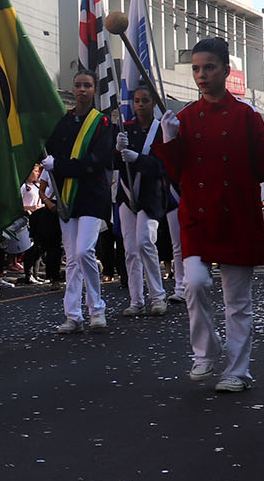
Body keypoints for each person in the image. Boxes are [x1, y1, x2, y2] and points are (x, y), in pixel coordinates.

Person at [154, 38, 264, 391]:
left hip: (236, 215)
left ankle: (237, 371)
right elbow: (174, 172)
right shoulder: (184, 118)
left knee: (237, 303)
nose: (201, 75)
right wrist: (170, 139)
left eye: (208, 67)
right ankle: (205, 352)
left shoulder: (247, 117)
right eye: (196, 68)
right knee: (193, 283)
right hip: (197, 215)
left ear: (226, 70)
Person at [42, 71, 117, 333]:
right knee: (72, 258)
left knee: (85, 251)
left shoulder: (103, 123)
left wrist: (59, 165)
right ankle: (72, 315)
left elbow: (95, 162)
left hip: (92, 197)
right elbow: (49, 147)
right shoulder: (63, 121)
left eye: (87, 85)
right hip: (67, 197)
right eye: (77, 85)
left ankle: (97, 309)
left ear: (94, 90)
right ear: (72, 89)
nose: (82, 90)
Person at [115, 84, 170, 316]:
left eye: (145, 100)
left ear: (153, 103)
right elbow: (113, 164)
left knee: (145, 242)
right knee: (129, 249)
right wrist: (117, 151)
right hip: (127, 195)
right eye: (137, 100)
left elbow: (163, 166)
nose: (140, 105)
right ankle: (136, 299)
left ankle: (158, 296)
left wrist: (138, 158)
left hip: (149, 195)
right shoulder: (125, 129)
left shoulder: (160, 131)